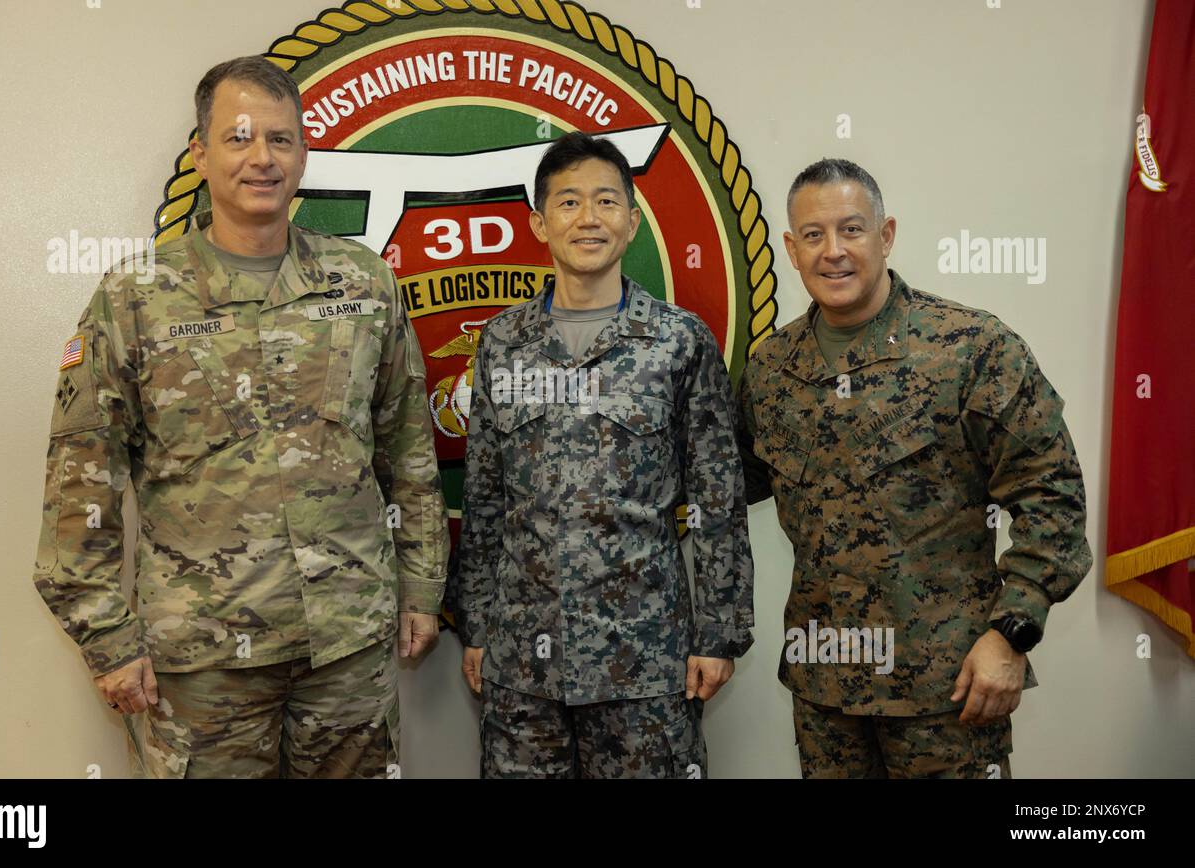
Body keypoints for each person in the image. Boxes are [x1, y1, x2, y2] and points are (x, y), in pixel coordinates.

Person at [31, 56, 449, 778]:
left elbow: (408, 450)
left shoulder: (364, 284)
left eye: (281, 139)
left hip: (346, 647)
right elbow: (81, 482)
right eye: (240, 137)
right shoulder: (135, 298)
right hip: (203, 659)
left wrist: (422, 589)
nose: (263, 158)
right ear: (201, 153)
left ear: (304, 154)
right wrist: (106, 638)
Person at [737, 157, 1092, 778]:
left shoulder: (971, 348)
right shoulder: (771, 369)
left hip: (947, 690)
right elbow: (726, 483)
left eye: (852, 229)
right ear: (791, 250)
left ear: (886, 235)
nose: (833, 251)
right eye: (814, 235)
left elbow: (1052, 494)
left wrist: (1011, 633)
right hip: (825, 690)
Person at [450, 131, 755, 778]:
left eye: (606, 201)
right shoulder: (503, 342)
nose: (588, 218)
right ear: (539, 223)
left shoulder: (678, 341)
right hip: (522, 665)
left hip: (645, 662)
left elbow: (719, 499)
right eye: (568, 202)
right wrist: (474, 625)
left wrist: (718, 632)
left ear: (632, 221)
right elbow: (483, 496)